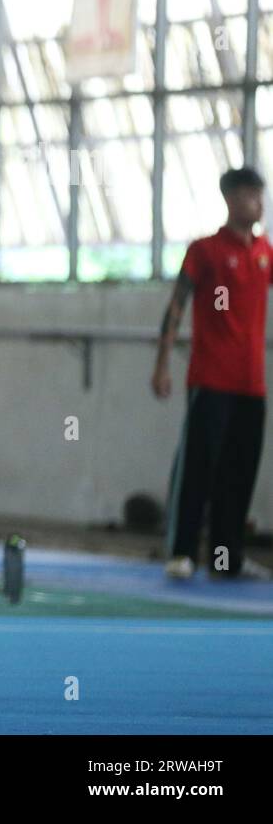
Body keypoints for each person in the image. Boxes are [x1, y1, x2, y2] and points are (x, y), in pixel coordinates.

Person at [152, 166, 272, 581]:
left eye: (261, 194)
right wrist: (162, 365)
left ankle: (226, 559)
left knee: (240, 474)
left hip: (251, 384)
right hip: (211, 379)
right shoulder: (205, 251)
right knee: (200, 467)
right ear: (231, 199)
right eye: (251, 195)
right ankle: (182, 551)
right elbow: (175, 306)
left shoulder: (265, 252)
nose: (258, 203)